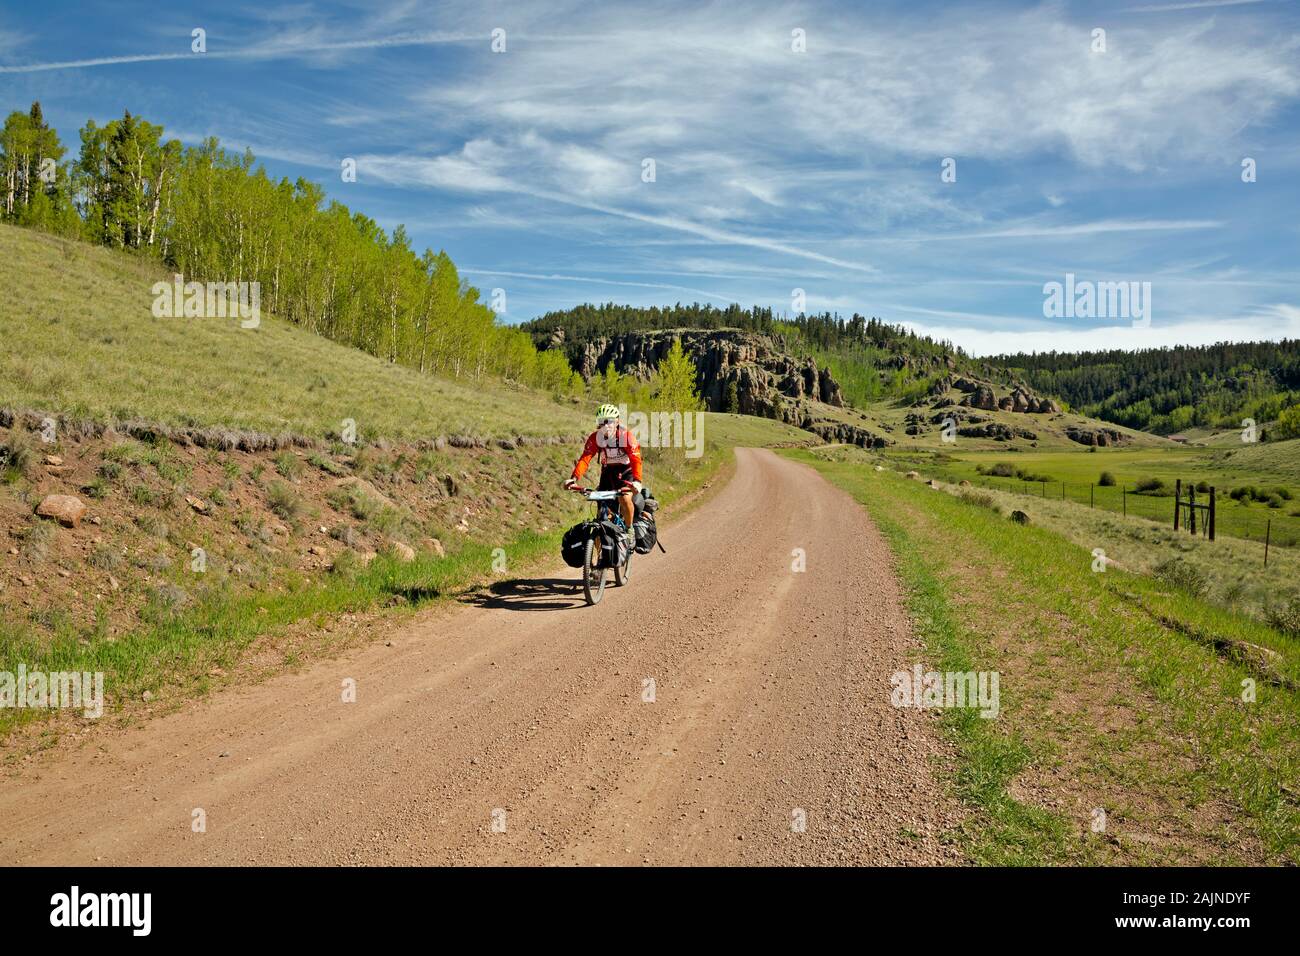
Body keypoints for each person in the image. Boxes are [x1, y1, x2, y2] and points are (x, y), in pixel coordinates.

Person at [564, 403, 643, 549]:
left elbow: (636, 459)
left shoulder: (626, 436)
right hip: (608, 473)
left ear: (617, 421)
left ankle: (630, 529)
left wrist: (637, 481)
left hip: (626, 472)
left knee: (625, 498)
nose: (605, 426)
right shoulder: (595, 438)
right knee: (601, 516)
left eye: (609, 421)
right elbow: (585, 458)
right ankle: (599, 561)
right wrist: (574, 478)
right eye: (601, 422)